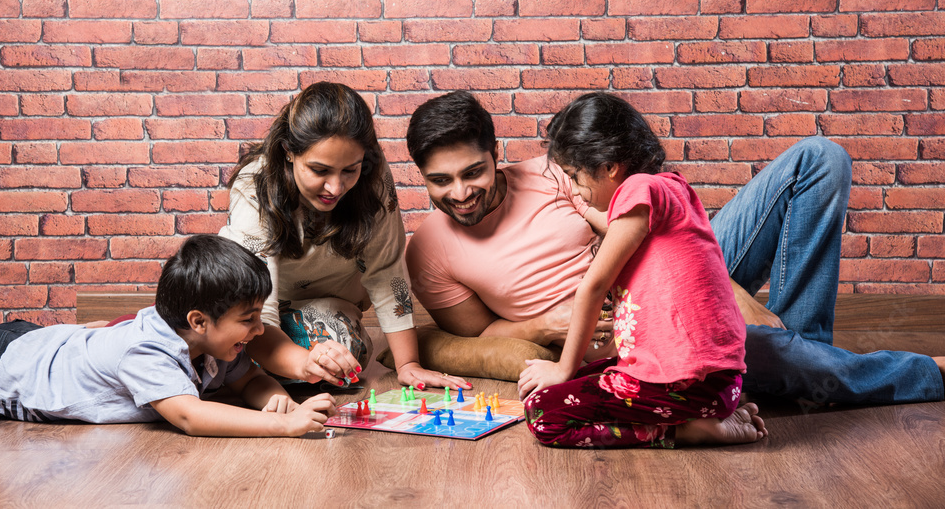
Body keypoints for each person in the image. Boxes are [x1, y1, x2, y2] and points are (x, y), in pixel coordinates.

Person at [405, 91, 945, 407]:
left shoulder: (554, 173)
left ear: (495, 154)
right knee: (780, 356)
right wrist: (545, 326)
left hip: (667, 265)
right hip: (635, 327)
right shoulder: (429, 248)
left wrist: (734, 292)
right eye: (440, 181)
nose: (460, 193)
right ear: (422, 178)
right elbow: (475, 335)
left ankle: (806, 351)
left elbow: (661, 224)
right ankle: (889, 371)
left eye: (472, 172)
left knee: (819, 159)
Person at [517, 93, 766, 448]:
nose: (574, 189)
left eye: (574, 176)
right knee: (581, 380)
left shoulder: (640, 189)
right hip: (716, 385)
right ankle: (704, 415)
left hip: (690, 385)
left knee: (543, 412)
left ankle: (687, 430)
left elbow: (593, 286)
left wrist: (562, 368)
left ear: (609, 167)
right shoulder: (670, 189)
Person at [0, 235, 336, 436]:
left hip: (33, 342)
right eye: (249, 318)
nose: (259, 329)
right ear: (198, 321)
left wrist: (282, 403)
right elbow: (190, 416)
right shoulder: (147, 350)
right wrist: (283, 426)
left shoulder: (216, 347)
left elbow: (252, 378)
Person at [220, 81, 468, 391]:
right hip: (259, 307)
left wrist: (408, 365)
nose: (335, 188)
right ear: (288, 153)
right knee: (229, 341)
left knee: (341, 350)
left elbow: (386, 269)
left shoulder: (372, 178)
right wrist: (300, 361)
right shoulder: (254, 186)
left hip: (330, 306)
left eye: (349, 170)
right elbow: (254, 303)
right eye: (320, 170)